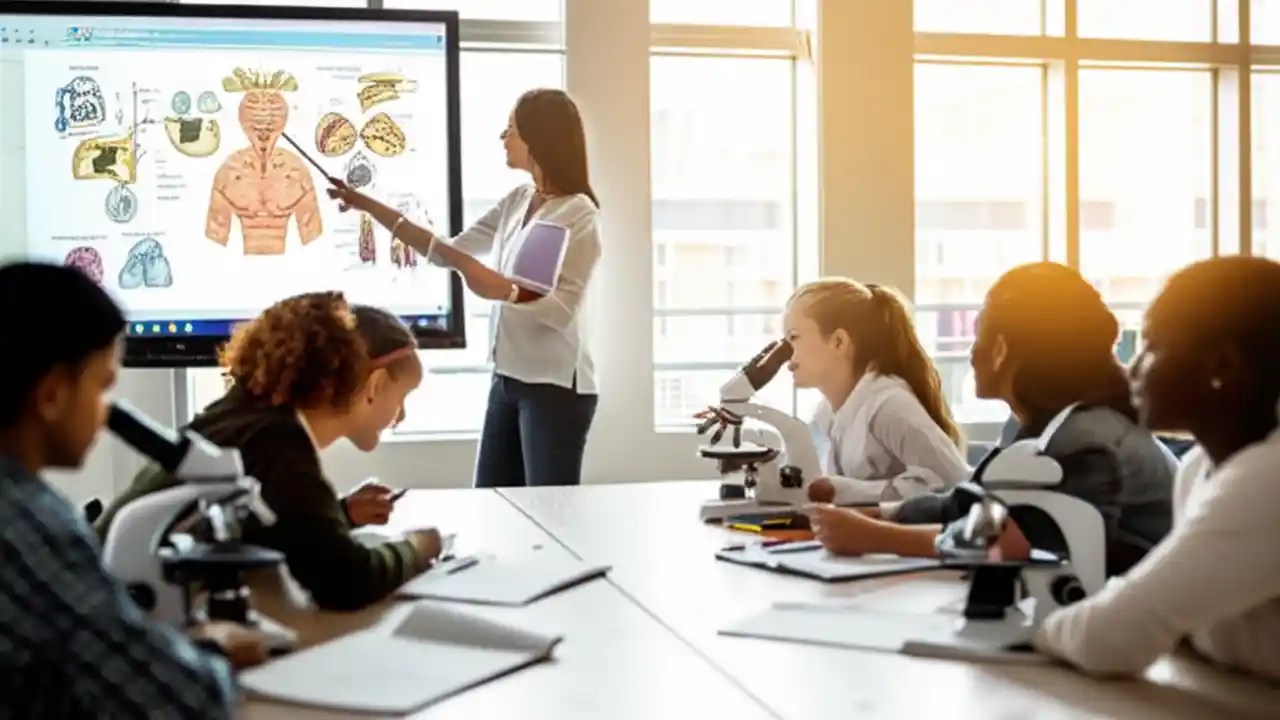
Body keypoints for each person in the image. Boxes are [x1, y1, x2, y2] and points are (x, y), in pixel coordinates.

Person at [0, 262, 262, 718]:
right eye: (102, 387)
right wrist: (212, 653)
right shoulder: (31, 526)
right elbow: (181, 703)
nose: (104, 413)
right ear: (51, 395)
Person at [807, 262, 1176, 576]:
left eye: (978, 334)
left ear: (1000, 349)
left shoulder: (1088, 437)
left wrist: (873, 536)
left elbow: (1014, 542)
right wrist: (880, 515)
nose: (971, 350)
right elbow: (976, 504)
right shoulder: (1037, 427)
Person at [96, 292, 444, 611]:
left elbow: (269, 529)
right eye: (402, 399)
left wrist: (341, 515)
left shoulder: (245, 416)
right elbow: (347, 580)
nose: (401, 416)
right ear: (375, 386)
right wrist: (417, 547)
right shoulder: (279, 441)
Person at [327, 88, 602, 488]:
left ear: (537, 139)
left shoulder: (579, 213)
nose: (502, 138)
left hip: (555, 387)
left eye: (510, 130)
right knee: (491, 499)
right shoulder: (519, 200)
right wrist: (367, 205)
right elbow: (447, 252)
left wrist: (506, 291)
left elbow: (561, 310)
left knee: (550, 512)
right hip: (507, 377)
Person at [1035, 256, 1280, 681]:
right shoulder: (1198, 469)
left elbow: (1111, 638)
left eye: (1151, 346)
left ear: (1221, 367)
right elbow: (1186, 621)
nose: (1133, 368)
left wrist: (1019, 625)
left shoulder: (1268, 479)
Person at [783, 278, 969, 504]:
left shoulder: (889, 405)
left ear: (839, 342)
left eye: (793, 337)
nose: (783, 352)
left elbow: (954, 481)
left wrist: (843, 491)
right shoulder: (825, 415)